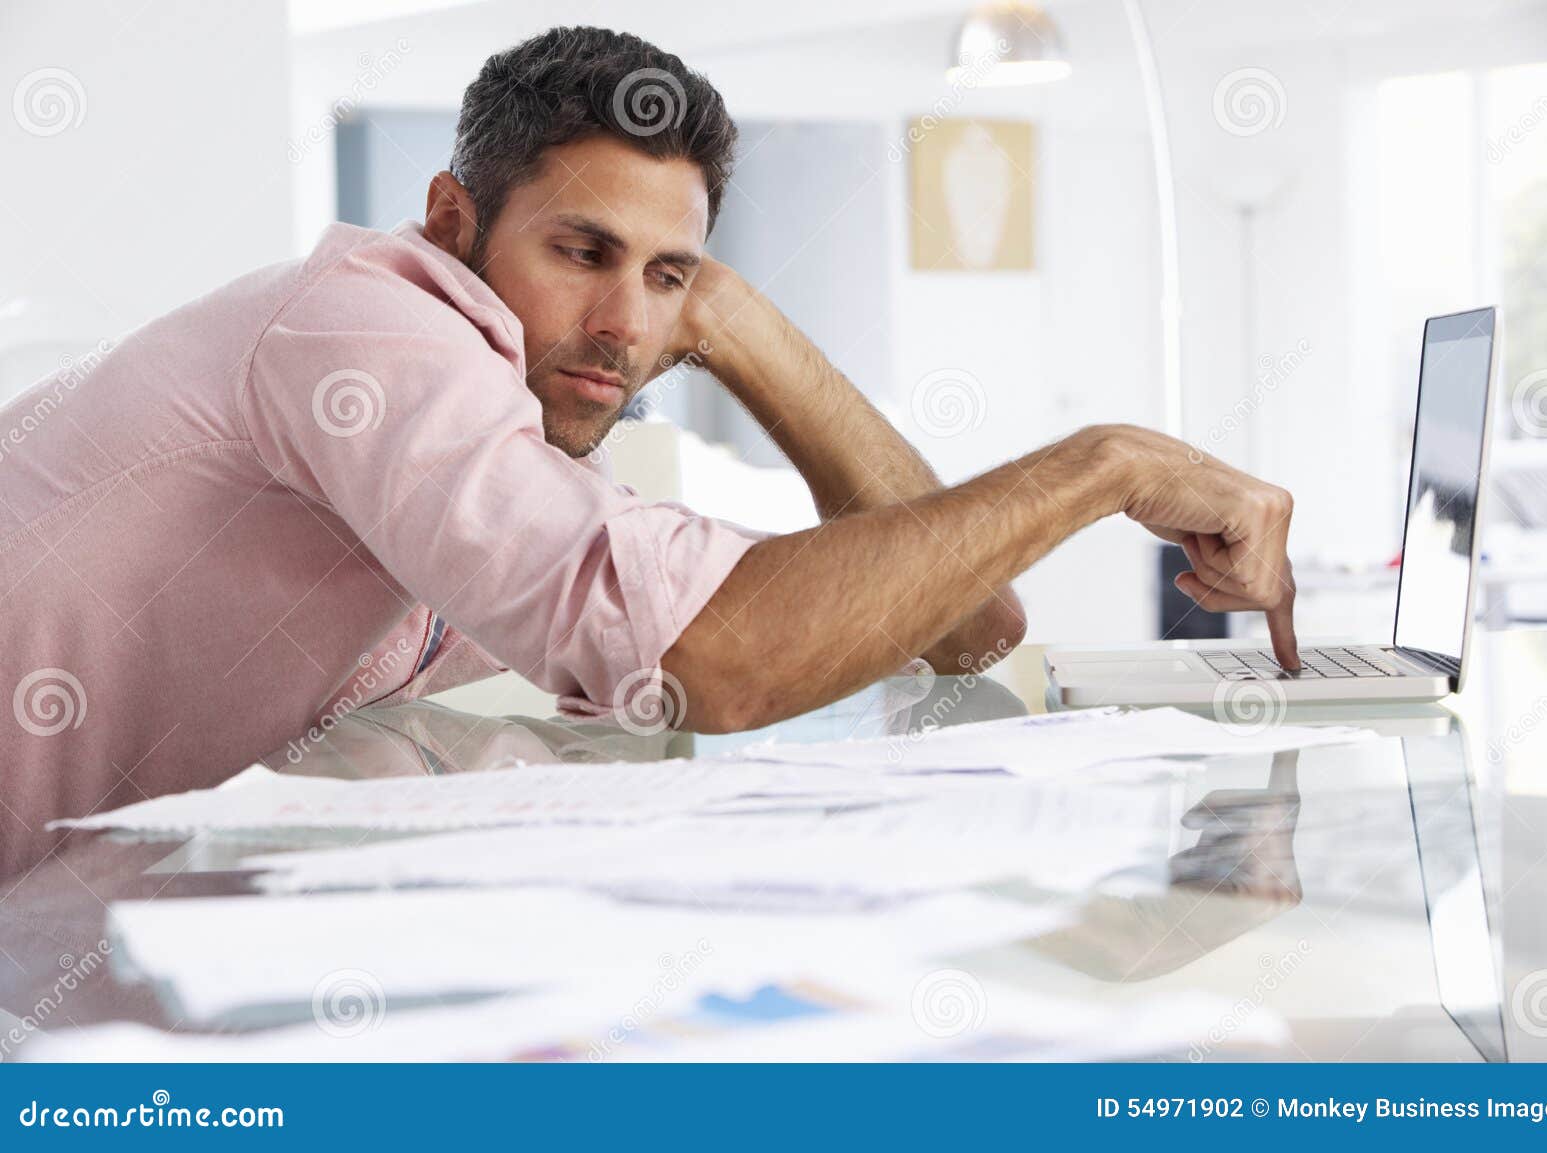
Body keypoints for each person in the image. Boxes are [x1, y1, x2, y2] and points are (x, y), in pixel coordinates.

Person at [0, 25, 1296, 862]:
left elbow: (968, 627)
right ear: (453, 218)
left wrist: (738, 323)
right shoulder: (369, 329)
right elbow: (707, 663)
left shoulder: (523, 430)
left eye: (667, 271)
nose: (623, 322)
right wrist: (1106, 463)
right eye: (581, 250)